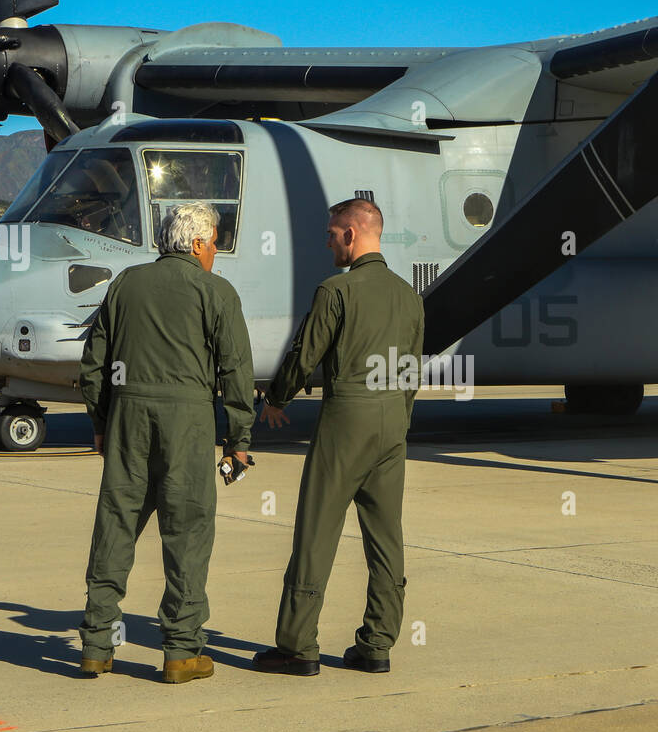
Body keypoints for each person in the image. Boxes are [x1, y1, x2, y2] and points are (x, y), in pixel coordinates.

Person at [78, 201, 255, 683]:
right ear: (197, 244)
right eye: (214, 242)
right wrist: (238, 439)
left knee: (115, 526)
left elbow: (94, 363)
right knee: (187, 534)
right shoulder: (216, 292)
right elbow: (236, 370)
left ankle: (97, 645)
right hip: (188, 421)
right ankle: (181, 651)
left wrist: (101, 422)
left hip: (128, 418)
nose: (215, 251)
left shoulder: (125, 284)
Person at [253, 198, 424, 676]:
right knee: (386, 535)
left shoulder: (336, 291)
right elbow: (411, 368)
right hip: (393, 418)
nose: (327, 241)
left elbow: (306, 352)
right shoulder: (409, 296)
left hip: (348, 414)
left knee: (316, 529)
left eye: (332, 233)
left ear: (352, 233)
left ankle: (297, 646)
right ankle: (378, 643)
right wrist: (398, 418)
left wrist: (278, 398)